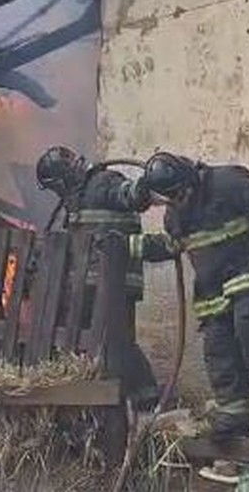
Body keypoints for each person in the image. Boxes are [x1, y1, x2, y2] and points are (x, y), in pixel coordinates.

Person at [130, 151, 249, 448]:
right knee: (218, 348)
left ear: (191, 178)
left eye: (181, 194)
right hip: (212, 291)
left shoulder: (230, 181)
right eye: (171, 198)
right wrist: (128, 245)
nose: (179, 201)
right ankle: (235, 413)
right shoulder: (175, 213)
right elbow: (173, 245)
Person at [35, 145, 159, 409]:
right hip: (90, 283)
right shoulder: (75, 198)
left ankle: (145, 398)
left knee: (118, 339)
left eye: (57, 185)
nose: (58, 192)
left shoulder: (103, 182)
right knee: (97, 339)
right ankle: (112, 394)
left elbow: (131, 197)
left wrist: (144, 187)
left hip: (116, 280)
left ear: (65, 175)